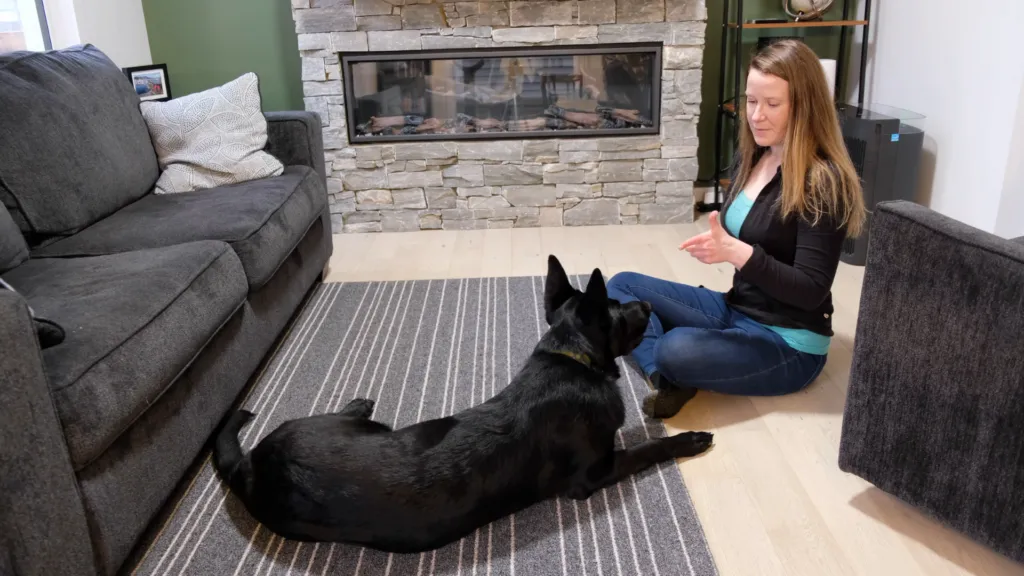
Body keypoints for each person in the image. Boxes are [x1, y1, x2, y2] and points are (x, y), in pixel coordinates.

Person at [606, 39, 866, 419]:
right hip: (737, 307)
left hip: (787, 342)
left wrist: (736, 252)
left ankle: (674, 365)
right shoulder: (756, 155)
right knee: (622, 286)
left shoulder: (823, 181)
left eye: (772, 104)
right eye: (751, 101)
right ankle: (667, 379)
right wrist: (727, 249)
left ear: (806, 106)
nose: (756, 115)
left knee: (674, 347)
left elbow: (811, 291)